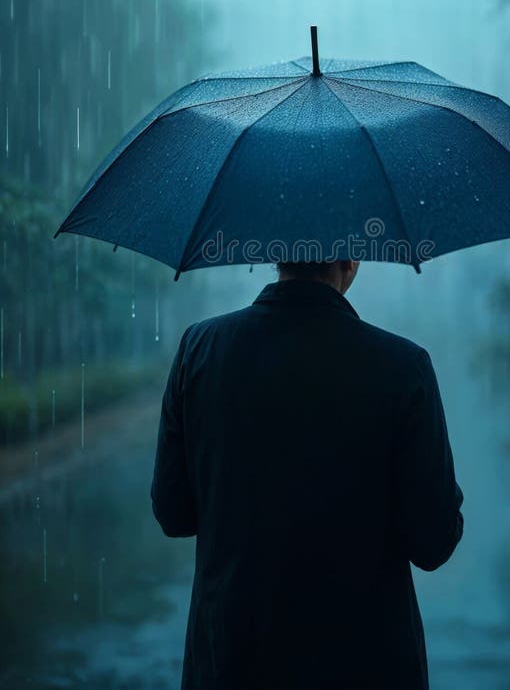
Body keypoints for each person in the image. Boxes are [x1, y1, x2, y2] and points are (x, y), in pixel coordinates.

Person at [151, 260, 464, 690]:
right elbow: (434, 541)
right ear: (350, 262)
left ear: (276, 256)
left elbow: (174, 514)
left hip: (232, 661)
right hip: (367, 666)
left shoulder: (201, 349)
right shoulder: (403, 366)